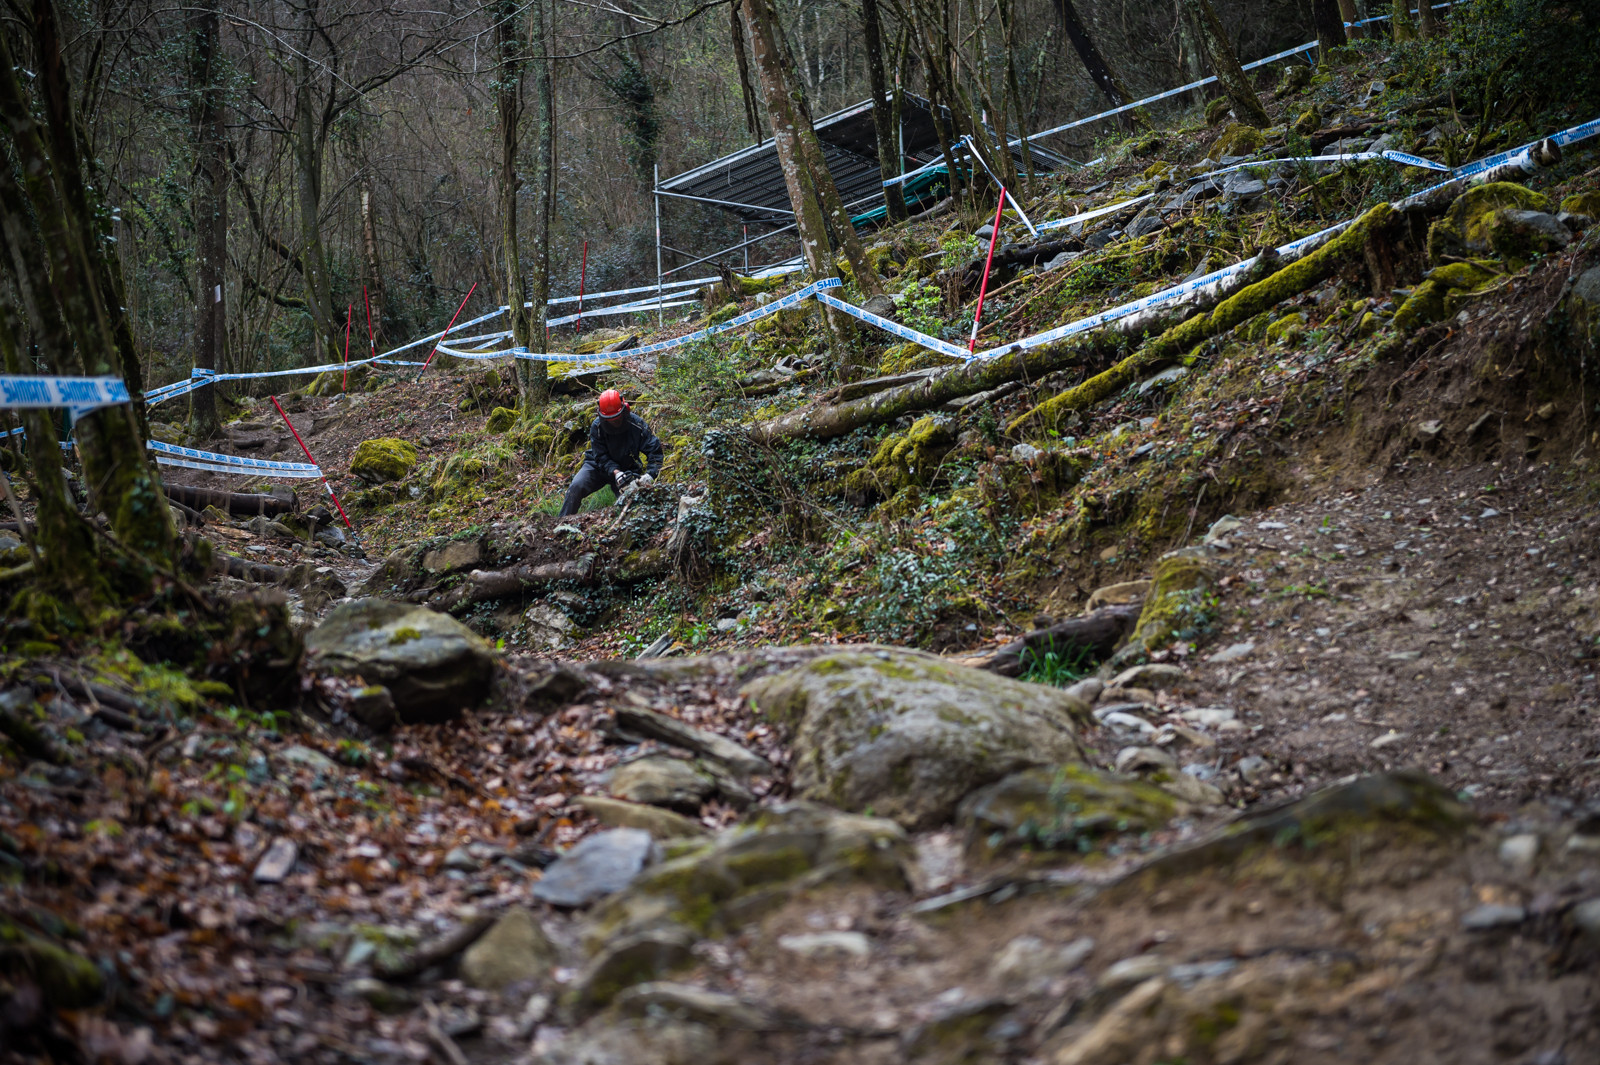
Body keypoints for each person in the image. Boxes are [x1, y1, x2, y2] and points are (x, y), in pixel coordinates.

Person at [558, 389, 664, 516]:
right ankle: (562, 523)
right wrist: (615, 472)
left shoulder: (636, 425)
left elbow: (654, 450)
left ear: (624, 409)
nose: (614, 422)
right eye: (610, 419)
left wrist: (650, 474)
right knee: (575, 487)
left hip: (626, 469)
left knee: (631, 502)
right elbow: (600, 456)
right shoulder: (597, 427)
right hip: (597, 466)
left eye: (617, 418)